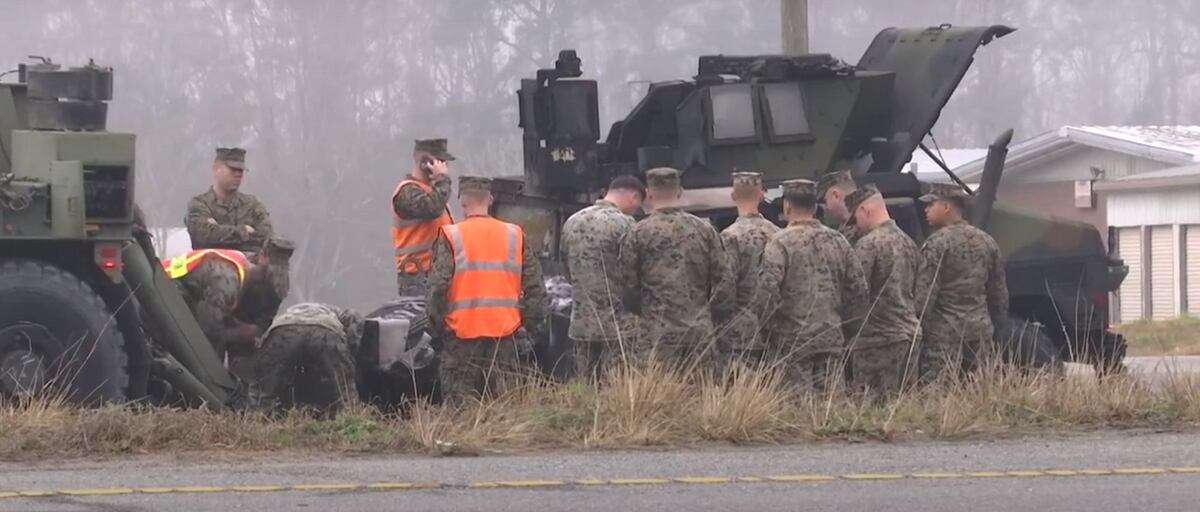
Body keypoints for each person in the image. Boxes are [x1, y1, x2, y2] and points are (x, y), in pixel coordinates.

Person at [426, 176, 548, 404]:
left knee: (461, 411)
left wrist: (438, 329)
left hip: (461, 339)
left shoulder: (451, 237)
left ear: (462, 202)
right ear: (490, 199)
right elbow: (536, 290)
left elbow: (436, 290)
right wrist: (526, 327)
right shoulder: (515, 235)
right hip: (505, 338)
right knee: (506, 409)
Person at [752, 179, 868, 392]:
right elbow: (858, 290)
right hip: (831, 339)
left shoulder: (779, 243)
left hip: (792, 343)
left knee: (796, 411)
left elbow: (765, 293)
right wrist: (849, 329)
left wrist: (768, 332)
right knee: (832, 409)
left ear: (787, 206)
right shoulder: (838, 240)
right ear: (815, 208)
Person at [618, 167, 734, 370]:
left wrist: (645, 311)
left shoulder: (637, 233)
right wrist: (709, 314)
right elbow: (724, 281)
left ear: (650, 194)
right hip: (698, 331)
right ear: (680, 192)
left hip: (656, 334)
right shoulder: (703, 230)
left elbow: (627, 287)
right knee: (702, 393)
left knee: (659, 395)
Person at [915, 183, 1009, 381]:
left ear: (947, 207)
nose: (926, 209)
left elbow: (924, 297)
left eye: (931, 204)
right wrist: (997, 328)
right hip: (980, 333)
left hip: (944, 337)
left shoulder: (936, 244)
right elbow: (998, 294)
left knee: (938, 395)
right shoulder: (986, 241)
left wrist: (917, 331)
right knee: (979, 392)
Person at [560, 174, 644, 380]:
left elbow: (567, 272)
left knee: (586, 387)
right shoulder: (625, 224)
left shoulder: (572, 221)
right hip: (618, 328)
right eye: (639, 204)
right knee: (617, 388)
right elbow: (636, 273)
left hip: (581, 324)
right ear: (633, 196)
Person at [163, 237, 294, 361]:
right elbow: (208, 329)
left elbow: (262, 324)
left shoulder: (276, 283)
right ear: (262, 256)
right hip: (166, 287)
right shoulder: (226, 279)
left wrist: (252, 331)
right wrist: (238, 334)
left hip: (200, 300)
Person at [844, 185, 921, 396]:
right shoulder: (908, 242)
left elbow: (856, 293)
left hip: (877, 342)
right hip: (909, 336)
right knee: (905, 407)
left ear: (864, 211)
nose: (856, 226)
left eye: (855, 218)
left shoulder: (868, 245)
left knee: (871, 408)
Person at [256, 303, 363, 416]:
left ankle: (259, 418)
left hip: (284, 328)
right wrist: (350, 353)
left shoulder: (293, 309)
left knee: (265, 391)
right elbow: (353, 320)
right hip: (324, 329)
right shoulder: (339, 313)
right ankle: (352, 418)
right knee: (345, 389)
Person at [718, 171, 780, 363]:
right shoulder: (778, 234)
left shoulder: (729, 237)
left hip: (739, 332)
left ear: (733, 196)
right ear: (761, 195)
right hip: (775, 328)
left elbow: (724, 286)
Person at [391, 139, 456, 297]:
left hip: (435, 274)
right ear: (424, 162)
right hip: (417, 277)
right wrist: (443, 179)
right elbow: (431, 208)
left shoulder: (430, 191)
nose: (444, 168)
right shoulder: (406, 192)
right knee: (421, 322)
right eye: (439, 162)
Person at [185, 147, 274, 254]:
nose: (238, 174)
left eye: (240, 170)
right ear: (216, 168)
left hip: (248, 266)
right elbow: (203, 236)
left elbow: (267, 236)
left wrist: (218, 230)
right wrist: (244, 232)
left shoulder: (252, 205)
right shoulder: (199, 204)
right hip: (210, 266)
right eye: (232, 169)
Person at [816, 170, 861, 244]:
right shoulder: (848, 224)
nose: (826, 207)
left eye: (825, 201)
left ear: (835, 195)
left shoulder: (863, 223)